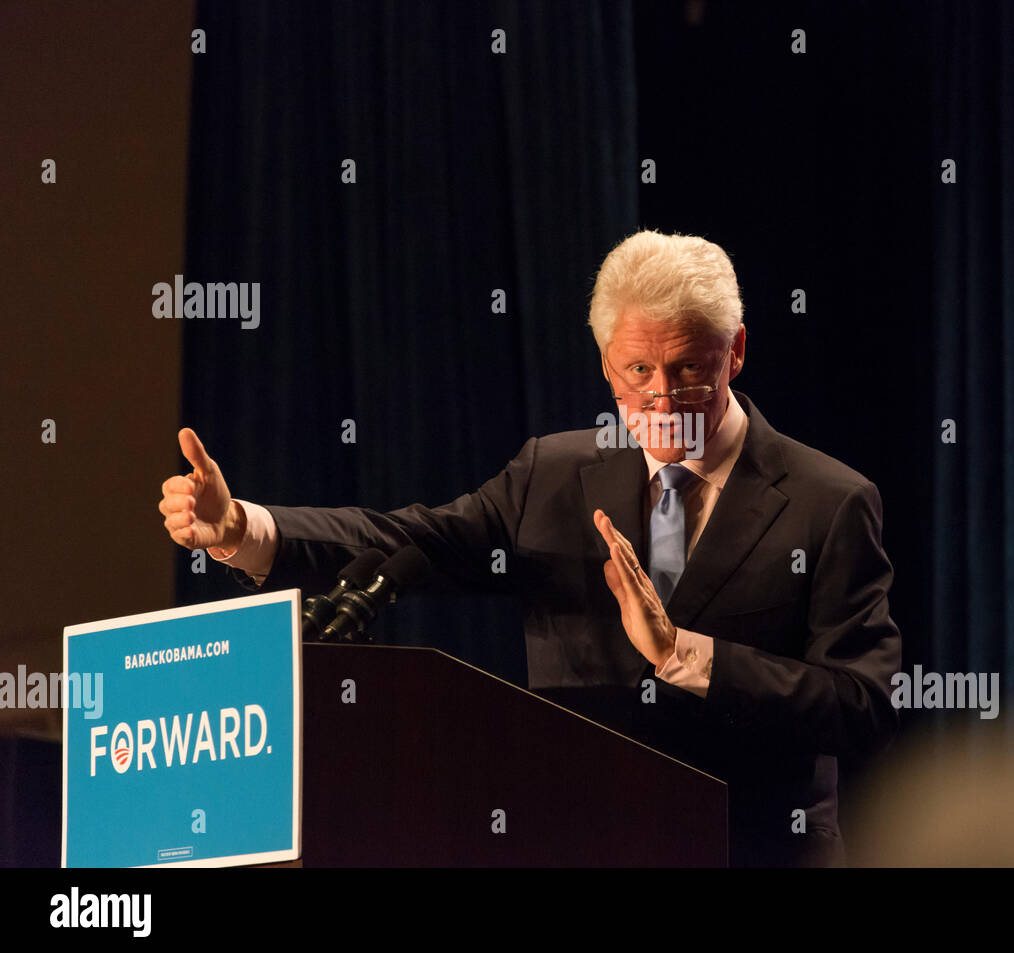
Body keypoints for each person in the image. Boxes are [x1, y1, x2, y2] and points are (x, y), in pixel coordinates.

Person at [158, 229, 902, 866]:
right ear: (605, 361)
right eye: (637, 370)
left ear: (735, 351)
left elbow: (862, 702)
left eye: (687, 370)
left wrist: (685, 655)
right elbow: (407, 539)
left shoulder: (827, 501)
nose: (661, 399)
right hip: (571, 845)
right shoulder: (554, 475)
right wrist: (244, 529)